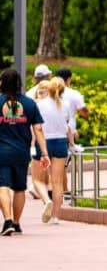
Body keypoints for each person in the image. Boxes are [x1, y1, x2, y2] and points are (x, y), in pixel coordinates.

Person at [0, 68, 48, 237]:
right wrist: (45, 154)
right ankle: (16, 223)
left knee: (2, 187)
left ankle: (7, 220)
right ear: (19, 83)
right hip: (21, 153)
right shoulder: (29, 103)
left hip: (2, 153)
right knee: (19, 189)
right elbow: (39, 129)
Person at [27, 71, 72, 224]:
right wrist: (72, 144)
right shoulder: (65, 105)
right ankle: (56, 217)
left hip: (44, 142)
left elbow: (36, 127)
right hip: (61, 143)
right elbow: (67, 127)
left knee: (37, 179)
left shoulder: (39, 104)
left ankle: (47, 200)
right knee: (58, 182)